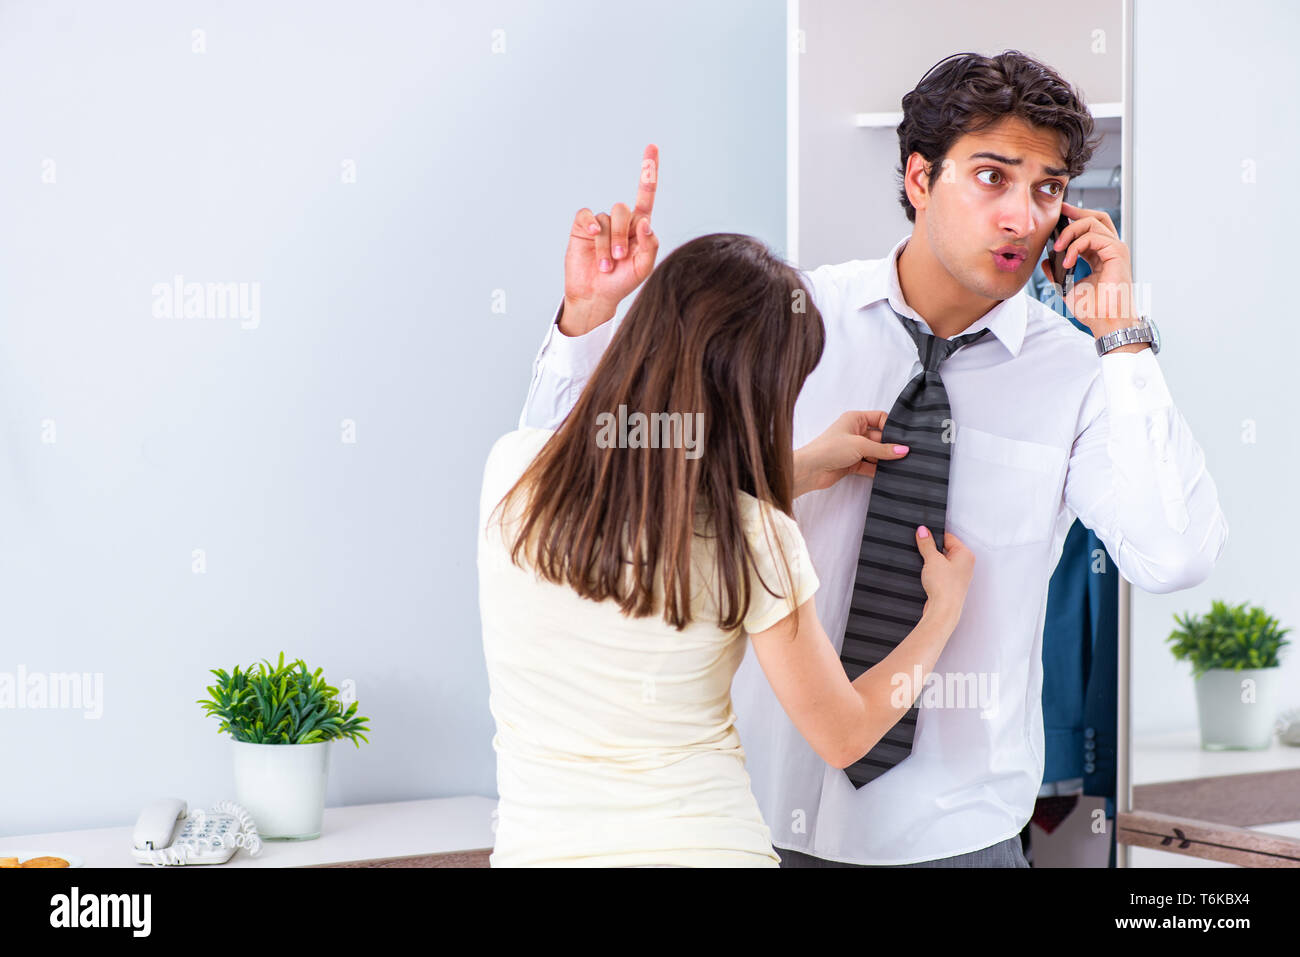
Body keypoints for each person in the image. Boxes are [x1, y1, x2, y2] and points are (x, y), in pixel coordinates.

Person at [519, 50, 1228, 867]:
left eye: (1048, 188)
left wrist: (1124, 336)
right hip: (751, 821)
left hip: (959, 836)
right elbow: (589, 490)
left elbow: (1174, 555)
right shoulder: (793, 317)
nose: (1023, 217)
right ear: (920, 180)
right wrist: (589, 322)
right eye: (993, 177)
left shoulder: (1078, 374)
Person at [478, 227, 975, 867]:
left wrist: (795, 469)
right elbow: (845, 733)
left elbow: (636, 496)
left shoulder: (511, 469)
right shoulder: (758, 538)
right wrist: (941, 615)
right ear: (753, 394)